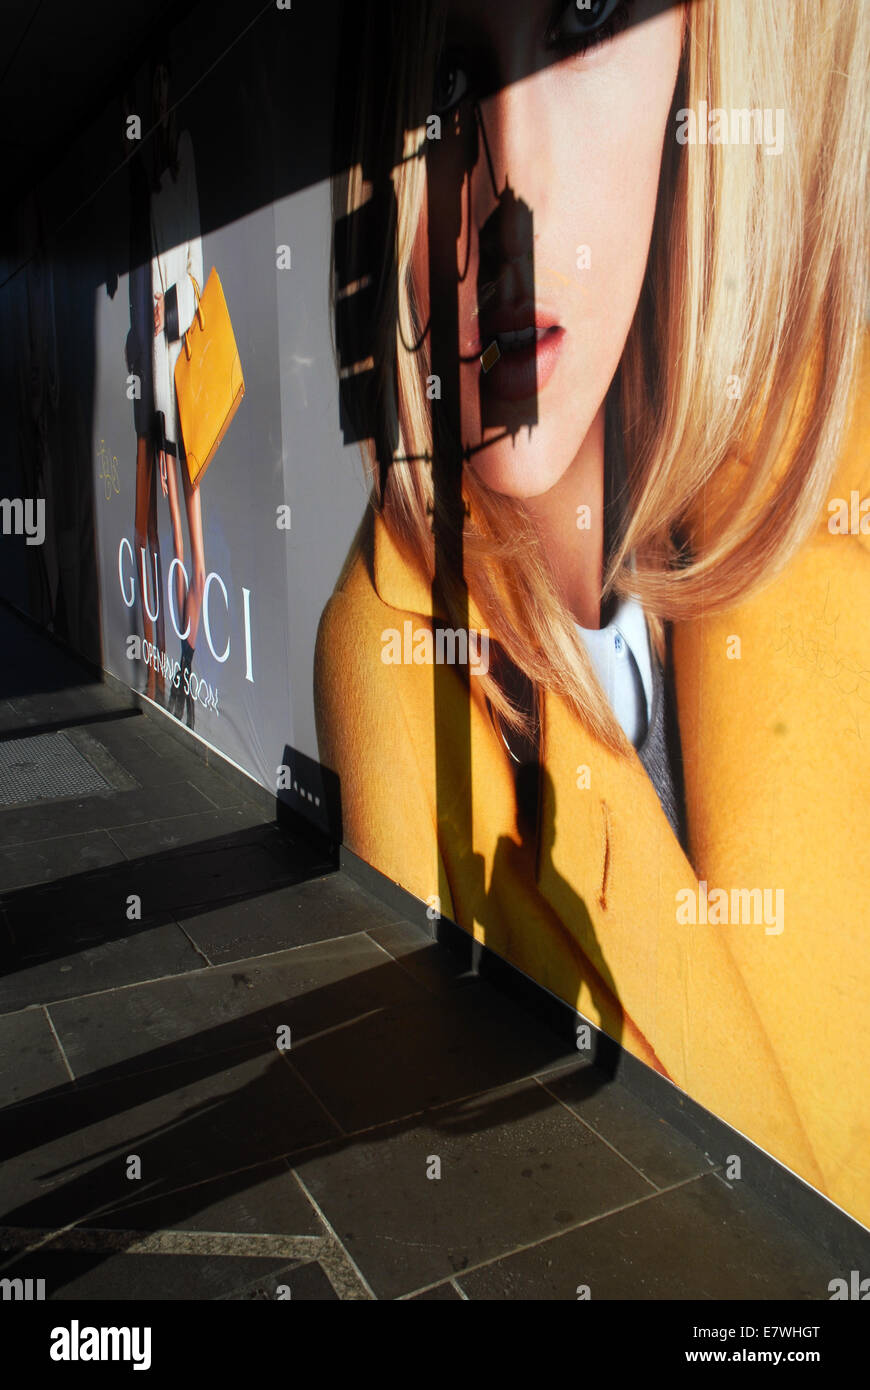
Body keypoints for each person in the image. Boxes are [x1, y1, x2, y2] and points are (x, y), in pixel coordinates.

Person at [315, 0, 869, 1224]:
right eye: (451, 77)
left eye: (578, 20)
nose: (511, 188)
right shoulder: (401, 676)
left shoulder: (839, 459)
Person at [149, 53, 206, 729]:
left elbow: (196, 256)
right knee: (168, 483)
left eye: (165, 95)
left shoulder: (184, 156)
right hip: (163, 350)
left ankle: (191, 648)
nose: (159, 113)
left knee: (189, 493)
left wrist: (176, 309)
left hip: (186, 346)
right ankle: (181, 646)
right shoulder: (154, 176)